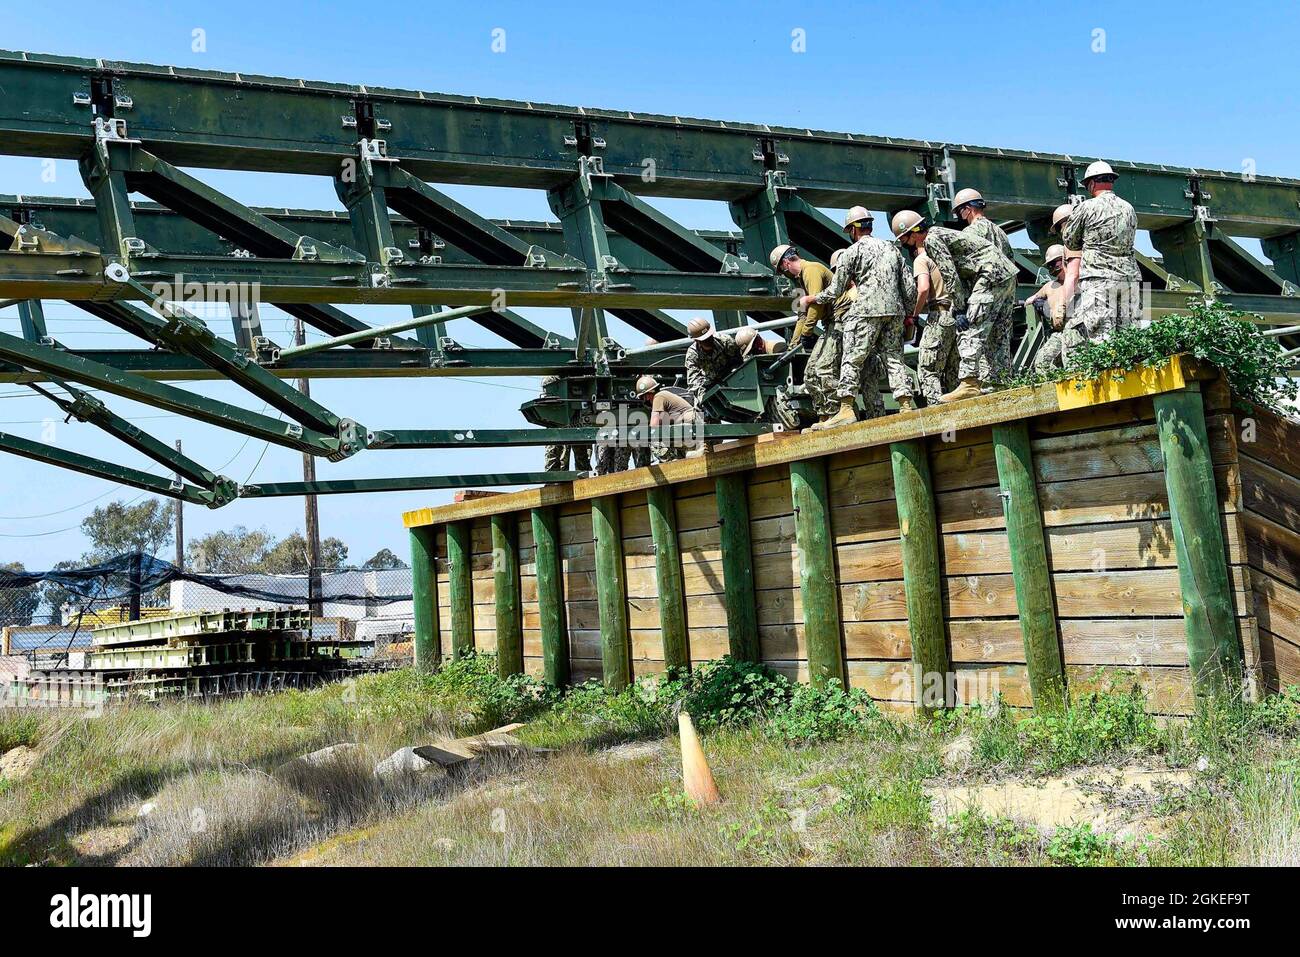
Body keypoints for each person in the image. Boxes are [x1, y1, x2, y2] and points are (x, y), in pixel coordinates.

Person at [799, 205, 917, 430]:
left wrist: (813, 298)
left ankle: (845, 410)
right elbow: (909, 288)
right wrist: (909, 314)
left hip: (865, 312)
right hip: (894, 312)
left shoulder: (852, 252)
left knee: (852, 359)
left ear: (853, 229)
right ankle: (905, 405)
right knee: (894, 358)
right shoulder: (892, 248)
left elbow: (836, 290)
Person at [891, 209, 1017, 402]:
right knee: (998, 332)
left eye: (903, 239)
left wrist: (959, 308)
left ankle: (969, 383)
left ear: (913, 233)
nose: (904, 244)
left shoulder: (931, 240)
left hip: (988, 273)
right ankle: (1000, 383)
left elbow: (950, 274)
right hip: (1005, 273)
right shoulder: (940, 233)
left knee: (970, 327)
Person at [1059, 160, 1143, 352]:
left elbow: (1070, 241)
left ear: (1092, 183)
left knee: (1101, 339)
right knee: (1130, 339)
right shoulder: (1129, 208)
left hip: (1099, 279)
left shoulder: (1087, 207)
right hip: (1129, 279)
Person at [772, 243, 843, 430]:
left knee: (824, 368)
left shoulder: (811, 270)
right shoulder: (798, 284)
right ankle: (824, 415)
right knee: (810, 374)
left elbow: (816, 305)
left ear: (786, 263)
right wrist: (792, 346)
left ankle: (836, 413)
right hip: (829, 325)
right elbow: (801, 315)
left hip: (840, 323)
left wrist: (807, 332)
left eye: (781, 270)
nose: (784, 275)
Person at [905, 231, 965, 404]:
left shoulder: (921, 259)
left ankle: (937, 412)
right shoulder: (945, 258)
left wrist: (914, 315)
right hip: (956, 316)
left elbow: (923, 289)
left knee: (928, 369)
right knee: (953, 370)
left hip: (938, 316)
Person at [1025, 244, 1074, 371]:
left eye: (1055, 263)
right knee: (1042, 363)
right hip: (1059, 333)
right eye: (1050, 265)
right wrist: (1041, 305)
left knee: (1074, 364)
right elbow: (1029, 300)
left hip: (1077, 331)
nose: (1052, 267)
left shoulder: (1079, 280)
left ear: (1065, 259)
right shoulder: (1050, 286)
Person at [635, 374, 697, 461]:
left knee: (654, 442)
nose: (646, 400)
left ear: (647, 396)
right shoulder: (663, 395)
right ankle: (679, 459)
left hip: (688, 426)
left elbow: (653, 426)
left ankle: (671, 462)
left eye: (644, 398)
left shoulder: (658, 397)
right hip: (692, 425)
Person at [684, 317, 743, 407]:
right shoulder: (692, 355)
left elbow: (740, 363)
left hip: (731, 380)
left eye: (709, 336)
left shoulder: (726, 342)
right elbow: (694, 382)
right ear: (696, 340)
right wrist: (705, 399)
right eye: (704, 339)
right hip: (709, 386)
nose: (708, 340)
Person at [539, 375, 592, 475]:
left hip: (575, 419)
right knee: (556, 455)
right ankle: (554, 479)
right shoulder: (551, 380)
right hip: (558, 420)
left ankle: (582, 477)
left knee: (581, 455)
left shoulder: (577, 380)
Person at [952, 187, 1014, 259]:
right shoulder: (1000, 232)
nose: (959, 215)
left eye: (959, 211)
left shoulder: (971, 231)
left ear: (967, 210)